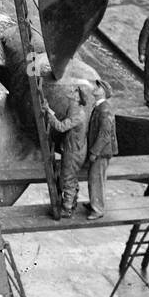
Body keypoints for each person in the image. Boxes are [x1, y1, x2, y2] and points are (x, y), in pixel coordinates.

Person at [43, 84, 89, 219]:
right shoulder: (74, 109)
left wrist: (48, 113)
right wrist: (49, 110)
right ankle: (72, 201)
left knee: (68, 178)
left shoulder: (77, 114)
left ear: (78, 98)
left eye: (75, 91)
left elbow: (61, 126)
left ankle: (67, 208)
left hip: (74, 151)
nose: (72, 90)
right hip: (74, 148)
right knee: (71, 176)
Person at [85, 80, 118, 221]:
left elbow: (104, 135)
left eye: (98, 87)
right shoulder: (99, 107)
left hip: (101, 152)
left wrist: (94, 152)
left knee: (96, 179)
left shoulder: (104, 110)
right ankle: (95, 202)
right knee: (95, 178)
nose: (95, 88)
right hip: (101, 151)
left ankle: (98, 209)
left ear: (103, 92)